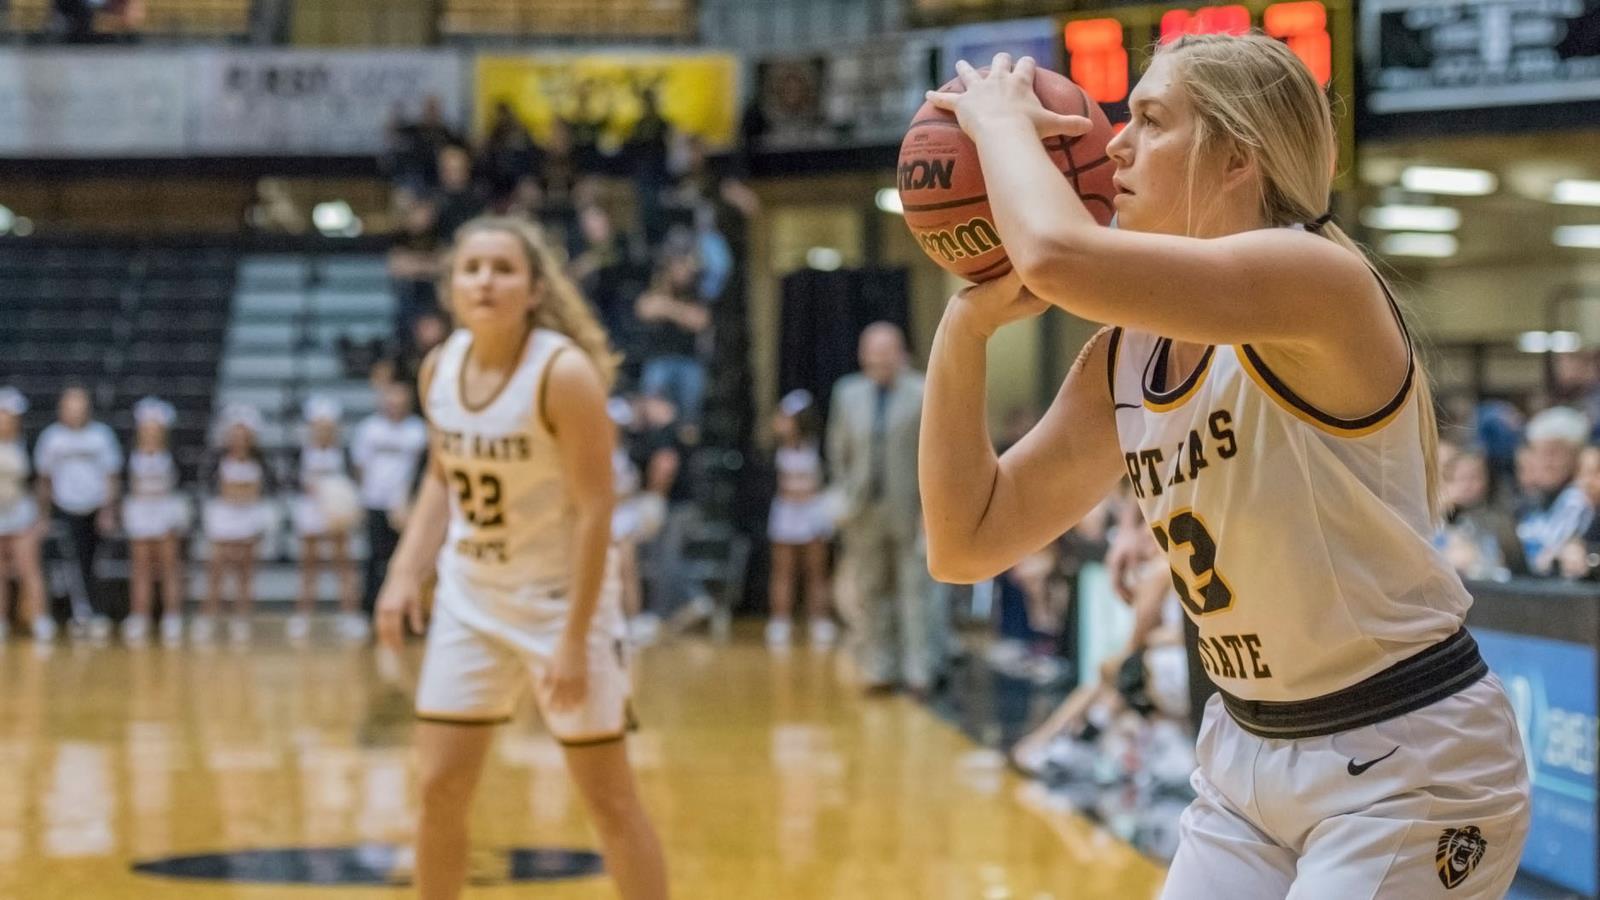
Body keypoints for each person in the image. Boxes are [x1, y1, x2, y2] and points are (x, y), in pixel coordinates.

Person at [919, 40, 1529, 897]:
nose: (1114, 145)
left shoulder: (1316, 277)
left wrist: (997, 122)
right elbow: (966, 542)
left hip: (1406, 756)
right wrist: (965, 327)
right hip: (1247, 752)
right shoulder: (1125, 356)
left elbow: (1056, 256)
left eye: (1150, 121)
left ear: (1237, 157)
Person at [374, 217, 667, 900]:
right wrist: (402, 573)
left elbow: (597, 511)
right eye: (472, 268)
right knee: (439, 789)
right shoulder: (438, 368)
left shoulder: (562, 375)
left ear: (535, 289)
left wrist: (573, 639)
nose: (485, 281)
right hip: (471, 598)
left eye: (504, 269)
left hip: (563, 604)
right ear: (450, 286)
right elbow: (440, 478)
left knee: (609, 800)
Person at [828, 322, 944, 696]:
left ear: (901, 353)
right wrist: (843, 494)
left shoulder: (923, 391)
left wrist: (931, 510)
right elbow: (838, 449)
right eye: (871, 353)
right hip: (863, 510)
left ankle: (919, 671)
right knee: (870, 591)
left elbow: (937, 455)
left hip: (911, 510)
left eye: (885, 352)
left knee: (915, 592)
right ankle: (879, 667)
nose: (878, 360)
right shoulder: (847, 393)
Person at [33, 385, 121, 638]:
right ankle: (82, 613)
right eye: (70, 406)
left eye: (80, 406)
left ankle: (97, 610)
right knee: (74, 562)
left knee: (95, 562)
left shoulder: (101, 436)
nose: (75, 412)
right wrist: (43, 515)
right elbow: (44, 480)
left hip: (95, 506)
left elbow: (111, 476)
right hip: (65, 507)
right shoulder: (52, 438)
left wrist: (108, 510)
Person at [289, 396, 364, 644]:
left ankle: (350, 615)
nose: (323, 431)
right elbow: (292, 480)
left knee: (344, 565)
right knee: (309, 566)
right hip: (310, 511)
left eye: (328, 427)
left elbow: (354, 481)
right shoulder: (301, 452)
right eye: (318, 426)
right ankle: (303, 616)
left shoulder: (344, 452)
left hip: (337, 513)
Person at [764, 389, 836, 648]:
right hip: (786, 514)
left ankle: (819, 620)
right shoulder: (774, 448)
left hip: (813, 514)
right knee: (783, 571)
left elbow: (819, 484)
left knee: (816, 571)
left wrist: (805, 492)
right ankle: (780, 621)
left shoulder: (819, 446)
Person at [352, 380, 429, 618]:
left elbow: (425, 472)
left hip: (405, 506)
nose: (395, 405)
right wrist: (363, 497)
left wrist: (411, 500)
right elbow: (359, 466)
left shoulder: (418, 430)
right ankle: (370, 611)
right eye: (391, 401)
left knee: (406, 558)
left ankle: (408, 612)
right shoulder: (369, 429)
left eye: (400, 401)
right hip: (374, 503)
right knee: (374, 558)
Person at [199, 405, 275, 645]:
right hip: (223, 519)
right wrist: (238, 494)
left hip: (249, 519)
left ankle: (241, 618)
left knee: (245, 571)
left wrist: (241, 495)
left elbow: (262, 491)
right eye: (235, 435)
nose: (239, 440)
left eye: (244, 436)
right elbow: (215, 490)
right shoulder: (216, 460)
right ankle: (209, 617)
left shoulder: (261, 462)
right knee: (217, 569)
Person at [121, 397, 189, 645]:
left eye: (155, 429)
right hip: (140, 512)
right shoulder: (131, 455)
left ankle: (172, 615)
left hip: (165, 512)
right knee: (141, 567)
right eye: (146, 429)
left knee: (170, 566)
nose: (150, 434)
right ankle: (140, 615)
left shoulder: (173, 456)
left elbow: (181, 486)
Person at [0, 388, 51, 641]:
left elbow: (41, 484)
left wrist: (42, 516)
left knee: (28, 568)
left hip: (22, 514)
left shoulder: (28, 444)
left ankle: (40, 619)